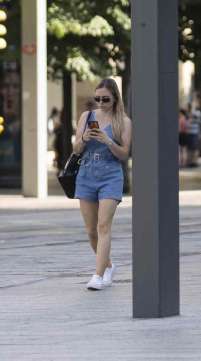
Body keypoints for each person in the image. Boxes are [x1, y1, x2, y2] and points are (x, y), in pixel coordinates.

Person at [73, 77, 131, 291]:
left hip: (110, 175)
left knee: (103, 225)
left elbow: (123, 154)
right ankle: (108, 266)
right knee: (91, 231)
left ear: (115, 98)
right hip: (86, 174)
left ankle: (97, 276)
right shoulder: (86, 116)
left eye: (105, 99)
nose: (101, 103)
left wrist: (108, 141)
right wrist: (84, 139)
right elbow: (76, 149)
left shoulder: (123, 121)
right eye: (97, 98)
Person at [186, 95, 201, 168]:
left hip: (194, 133)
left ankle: (194, 162)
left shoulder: (197, 113)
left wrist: (193, 104)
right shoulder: (189, 114)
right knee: (190, 149)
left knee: (194, 148)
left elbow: (193, 113)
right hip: (189, 133)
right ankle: (190, 162)